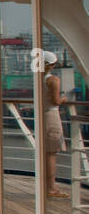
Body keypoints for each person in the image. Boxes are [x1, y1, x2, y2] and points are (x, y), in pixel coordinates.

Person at [43, 50, 68, 198]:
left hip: (41, 116)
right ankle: (51, 187)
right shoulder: (53, 80)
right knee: (52, 153)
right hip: (51, 116)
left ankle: (47, 186)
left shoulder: (38, 78)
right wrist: (64, 99)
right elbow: (56, 101)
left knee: (46, 153)